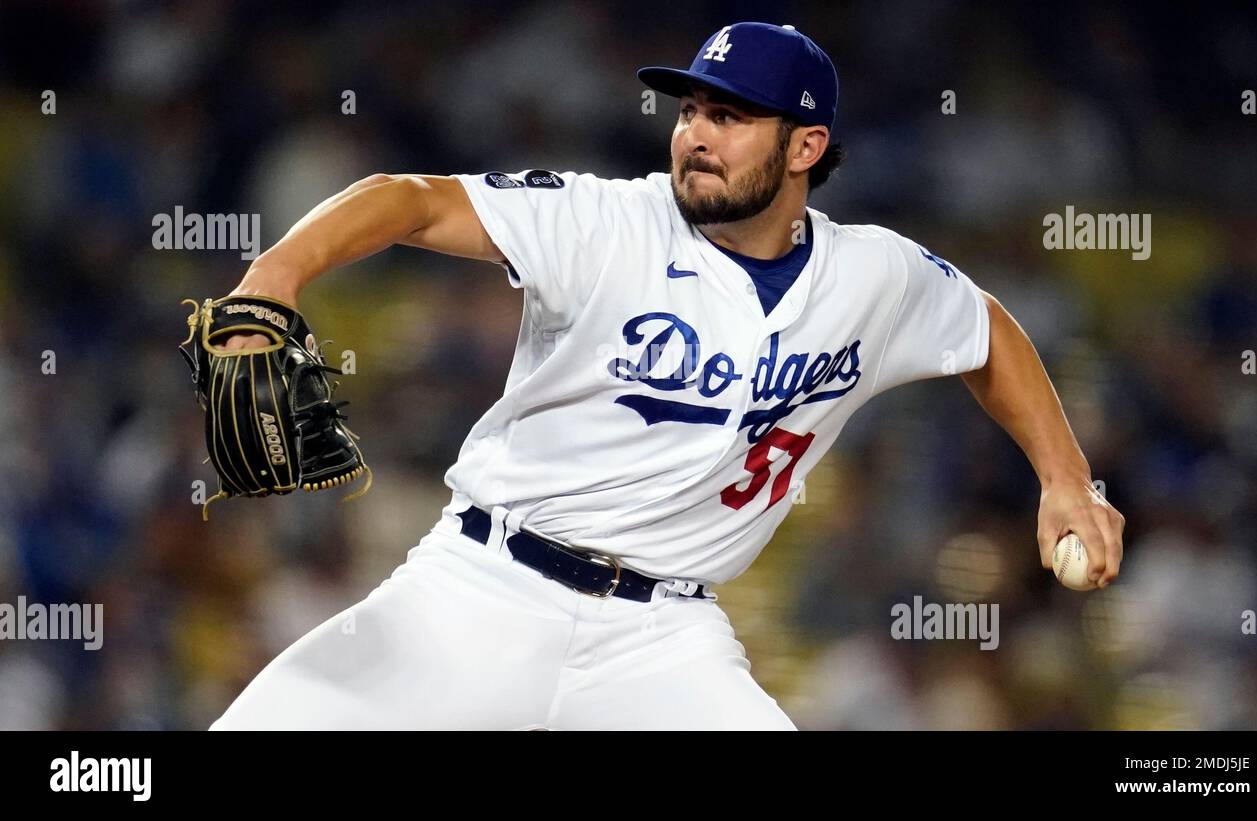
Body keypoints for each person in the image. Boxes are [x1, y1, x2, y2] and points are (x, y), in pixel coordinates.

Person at [209, 21, 1124, 730]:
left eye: (729, 116)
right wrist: (276, 274)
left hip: (658, 637)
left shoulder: (872, 275)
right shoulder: (606, 221)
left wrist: (1065, 479)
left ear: (804, 147)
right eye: (689, 110)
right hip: (483, 588)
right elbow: (411, 198)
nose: (695, 135)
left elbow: (986, 331)